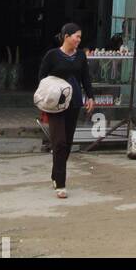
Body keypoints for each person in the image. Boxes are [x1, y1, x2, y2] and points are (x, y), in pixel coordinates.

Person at [38, 23, 95, 199]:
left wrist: (90, 97)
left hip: (75, 103)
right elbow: (42, 77)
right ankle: (60, 183)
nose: (79, 39)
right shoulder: (52, 55)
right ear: (66, 36)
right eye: (77, 36)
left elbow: (85, 77)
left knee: (67, 143)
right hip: (56, 105)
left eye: (80, 36)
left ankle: (56, 174)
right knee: (59, 142)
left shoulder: (80, 56)